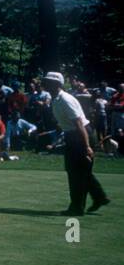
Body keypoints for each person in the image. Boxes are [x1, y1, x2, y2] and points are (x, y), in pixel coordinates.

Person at [43, 72, 110, 216]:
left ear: (57, 84)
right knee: (80, 171)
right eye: (46, 81)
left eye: (49, 82)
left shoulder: (65, 99)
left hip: (80, 135)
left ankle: (77, 208)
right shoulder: (55, 99)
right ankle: (99, 197)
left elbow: (79, 123)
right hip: (72, 135)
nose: (46, 84)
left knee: (77, 174)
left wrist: (87, 147)